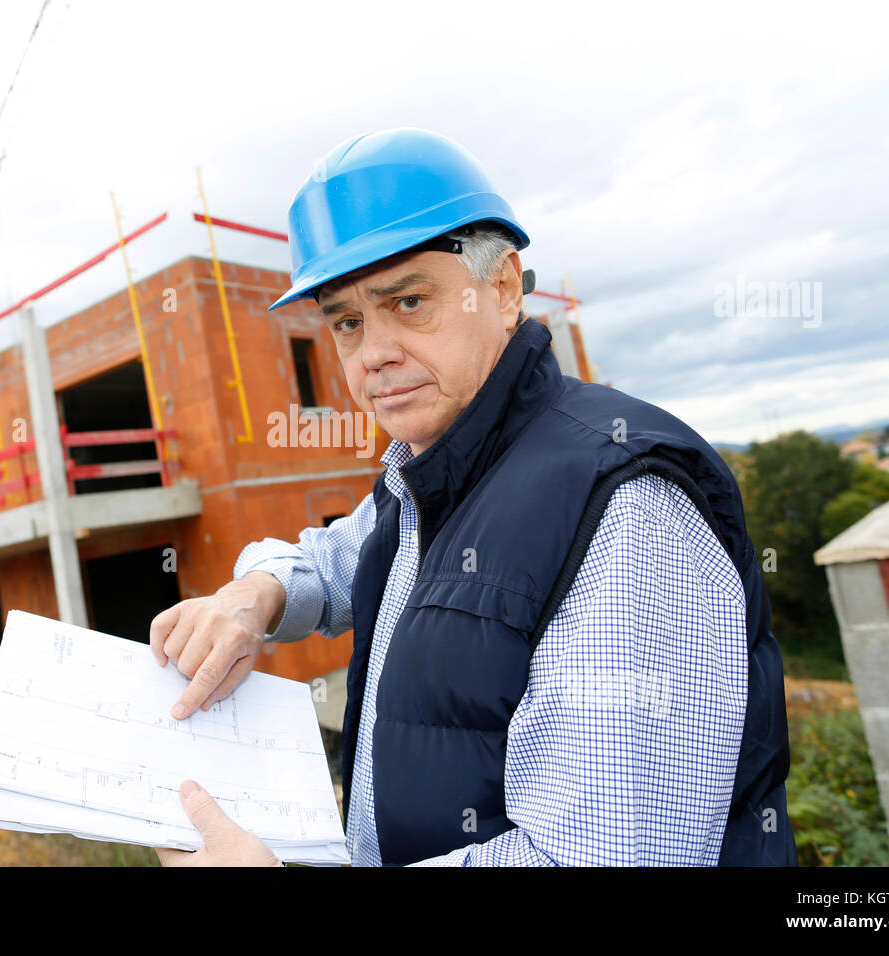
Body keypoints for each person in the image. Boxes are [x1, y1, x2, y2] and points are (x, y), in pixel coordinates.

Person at [150, 127, 795, 867]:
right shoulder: (432, 476)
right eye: (347, 322)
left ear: (504, 288)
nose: (373, 355)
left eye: (409, 301)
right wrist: (254, 596)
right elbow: (334, 562)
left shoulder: (626, 509)